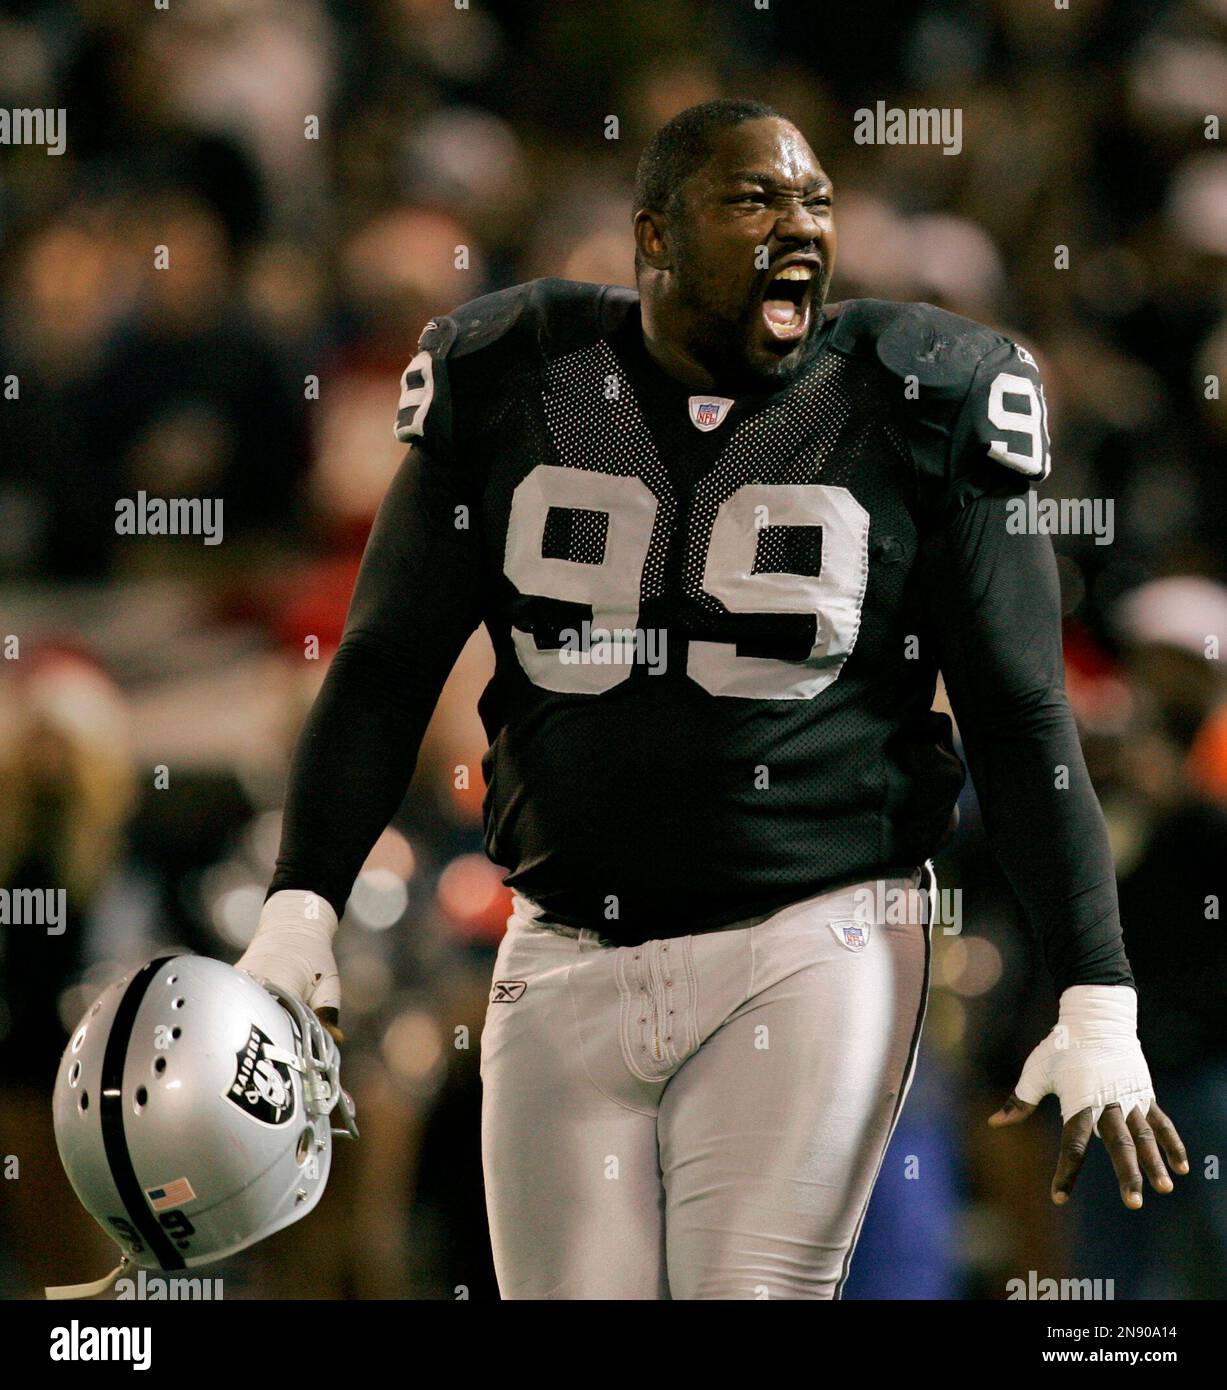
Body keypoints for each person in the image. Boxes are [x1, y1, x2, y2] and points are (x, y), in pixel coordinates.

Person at [237, 99, 1185, 1299]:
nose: (797, 227)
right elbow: (384, 662)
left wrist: (1095, 985)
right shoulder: (512, 378)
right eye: (753, 201)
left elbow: (1019, 714)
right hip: (562, 935)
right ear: (654, 238)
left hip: (812, 931)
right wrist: (301, 904)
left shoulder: (922, 399)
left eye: (816, 203)